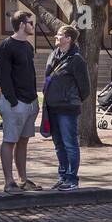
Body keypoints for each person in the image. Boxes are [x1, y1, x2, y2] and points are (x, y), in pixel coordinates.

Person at [0, 10, 42, 193]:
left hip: (30, 102)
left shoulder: (28, 46)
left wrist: (34, 100)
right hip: (16, 103)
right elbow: (4, 76)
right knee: (9, 141)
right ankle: (9, 182)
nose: (33, 25)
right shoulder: (7, 46)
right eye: (31, 22)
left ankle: (23, 179)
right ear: (22, 25)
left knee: (23, 141)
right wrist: (13, 101)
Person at [42, 25, 90, 190]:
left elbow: (85, 88)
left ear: (68, 39)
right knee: (58, 144)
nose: (56, 36)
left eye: (60, 34)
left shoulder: (76, 59)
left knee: (70, 143)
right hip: (52, 106)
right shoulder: (53, 55)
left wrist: (71, 98)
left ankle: (72, 178)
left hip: (67, 108)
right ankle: (62, 176)